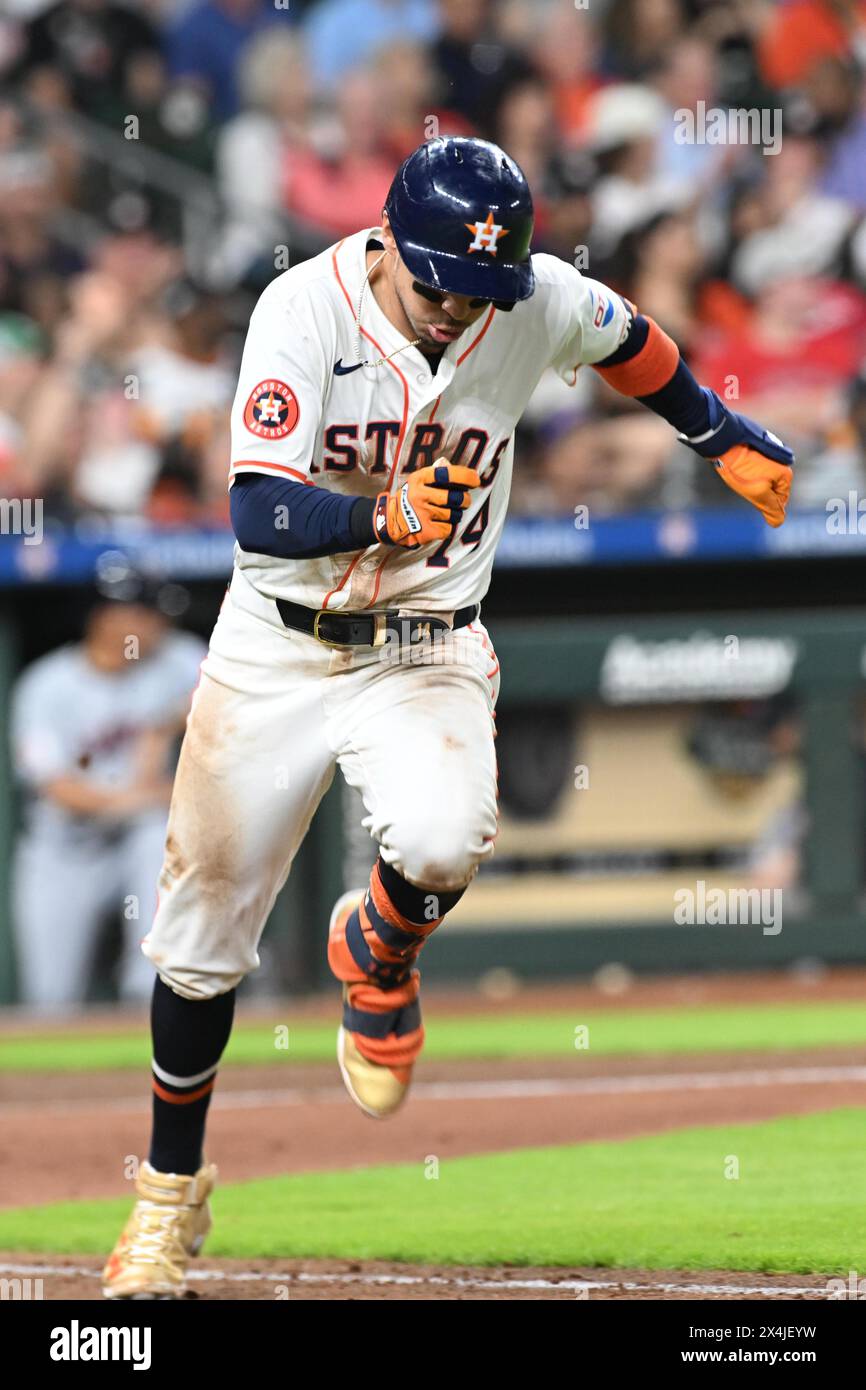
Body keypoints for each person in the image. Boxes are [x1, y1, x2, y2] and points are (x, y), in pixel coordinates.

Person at [102, 135, 793, 1299]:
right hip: (276, 644)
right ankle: (167, 1205)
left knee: (437, 841)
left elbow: (629, 341)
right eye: (439, 283)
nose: (457, 308)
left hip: (425, 641)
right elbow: (255, 509)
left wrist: (715, 432)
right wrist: (381, 516)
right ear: (385, 244)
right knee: (199, 939)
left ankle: (376, 950)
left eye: (482, 288)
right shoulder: (301, 311)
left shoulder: (528, 299)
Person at [11, 563, 205, 1009]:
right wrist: (147, 794)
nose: (159, 624)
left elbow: (228, 687)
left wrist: (163, 726)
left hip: (134, 842)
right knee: (51, 1000)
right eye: (145, 614)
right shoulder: (46, 686)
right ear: (107, 619)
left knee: (156, 834)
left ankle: (146, 998)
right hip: (63, 851)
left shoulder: (172, 660)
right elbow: (60, 791)